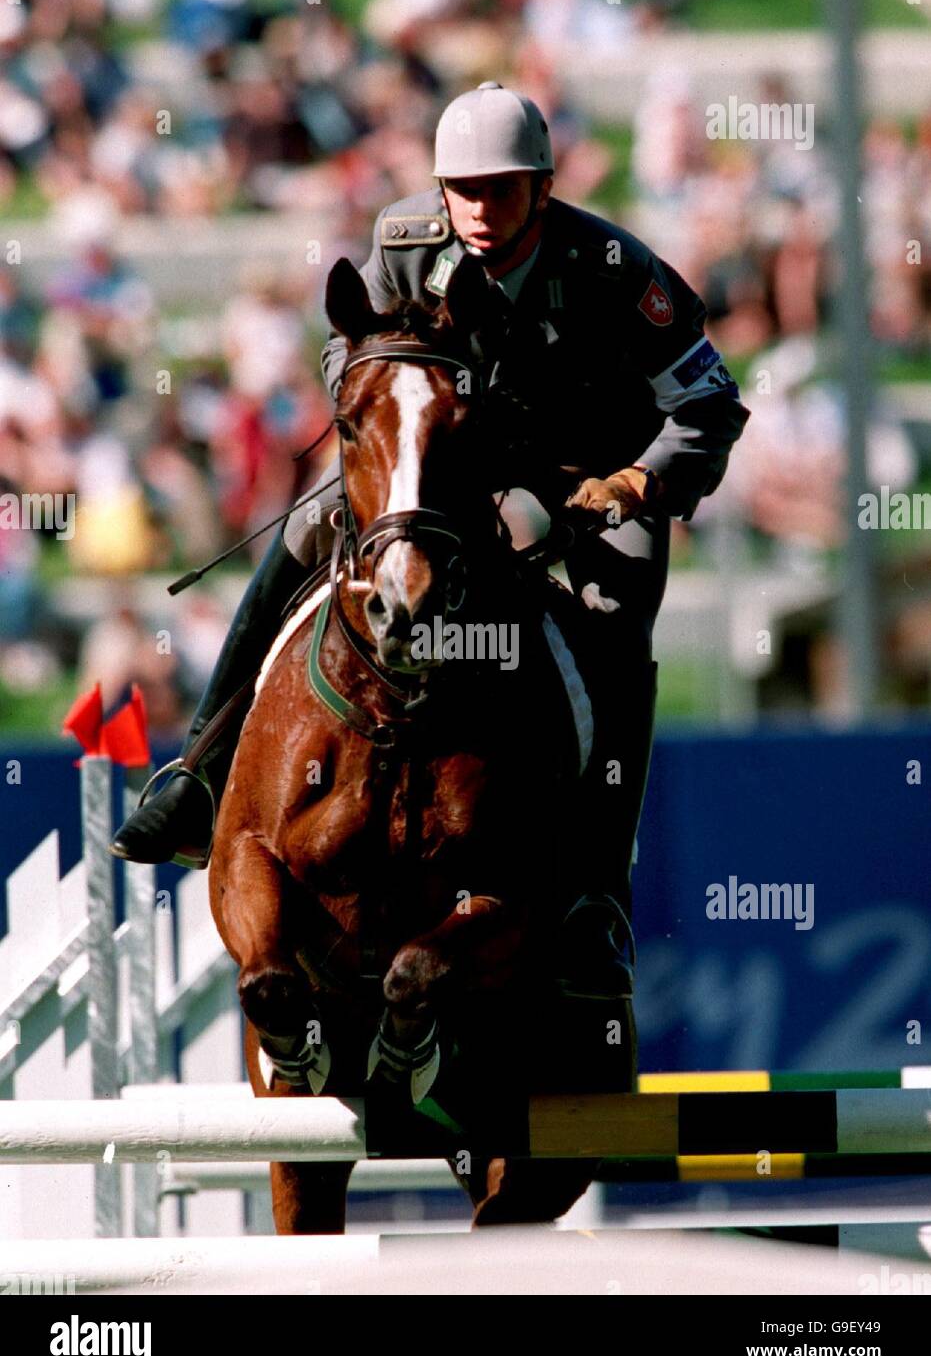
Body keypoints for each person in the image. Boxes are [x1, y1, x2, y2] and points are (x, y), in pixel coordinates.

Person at [112, 82, 749, 998]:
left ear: (542, 185)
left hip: (592, 476)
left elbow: (708, 403)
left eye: (498, 189)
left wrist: (634, 483)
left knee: (614, 616)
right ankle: (199, 772)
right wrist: (381, 399)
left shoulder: (614, 269)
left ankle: (594, 897)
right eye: (461, 189)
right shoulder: (404, 238)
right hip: (443, 458)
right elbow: (346, 349)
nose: (477, 211)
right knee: (304, 526)